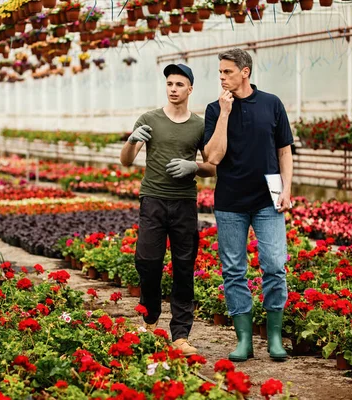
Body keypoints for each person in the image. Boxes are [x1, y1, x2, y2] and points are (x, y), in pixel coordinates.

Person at [203, 48, 294, 362]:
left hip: (268, 199)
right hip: (230, 202)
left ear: (245, 72)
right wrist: (225, 114)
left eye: (227, 71)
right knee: (233, 271)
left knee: (274, 265)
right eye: (220, 72)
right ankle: (244, 340)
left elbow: (284, 151)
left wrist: (286, 189)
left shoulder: (271, 104)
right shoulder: (215, 109)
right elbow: (213, 157)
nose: (222, 77)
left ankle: (274, 337)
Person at [120, 64, 216, 356]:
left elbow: (212, 166)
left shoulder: (199, 125)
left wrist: (194, 166)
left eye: (179, 84)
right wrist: (132, 139)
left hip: (184, 202)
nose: (173, 89)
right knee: (147, 261)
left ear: (190, 89)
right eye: (169, 83)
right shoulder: (149, 119)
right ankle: (150, 315)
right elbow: (126, 161)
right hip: (153, 200)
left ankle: (180, 334)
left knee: (184, 267)